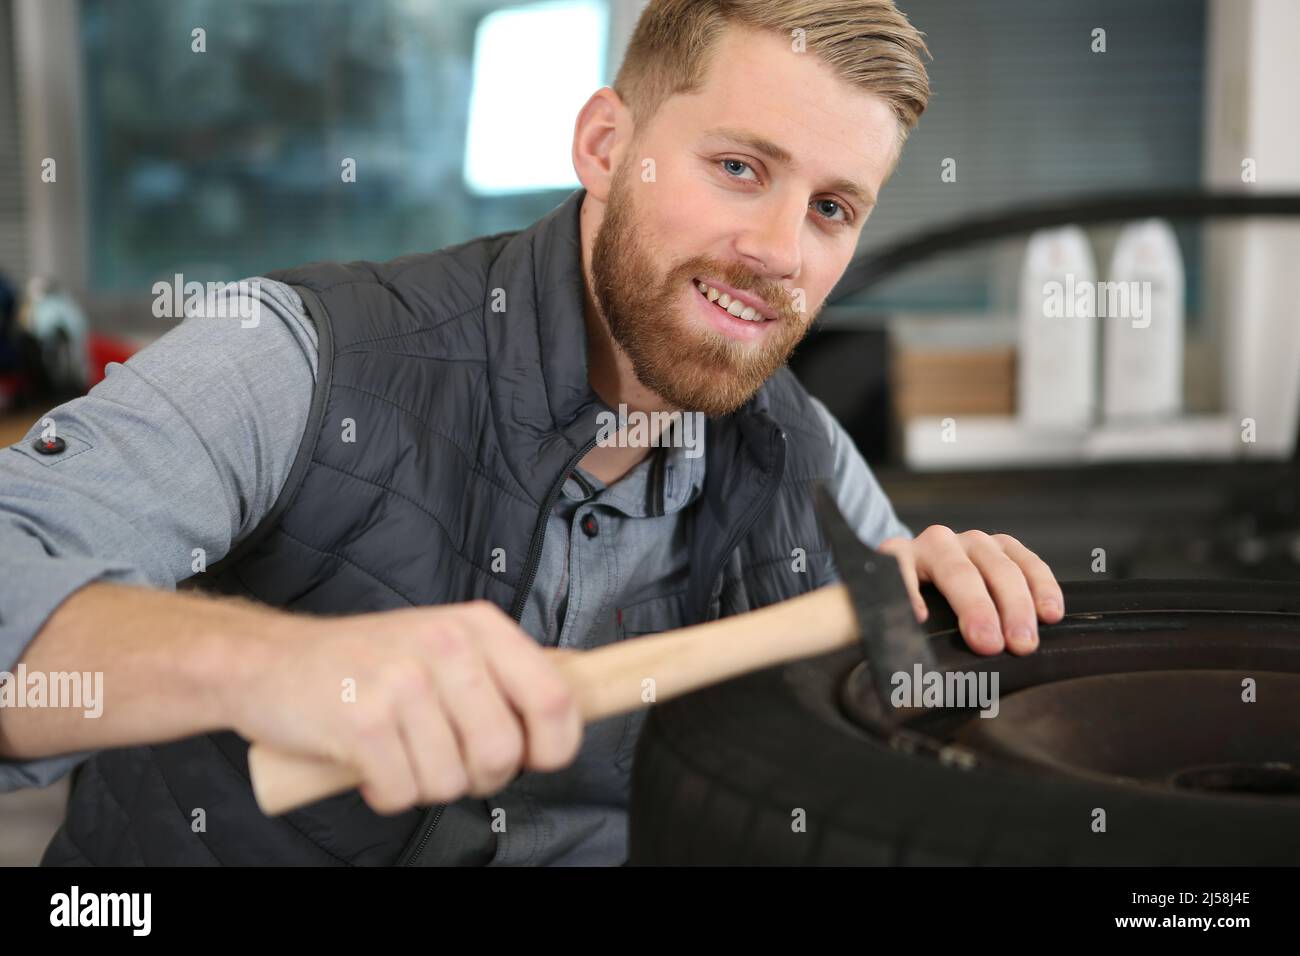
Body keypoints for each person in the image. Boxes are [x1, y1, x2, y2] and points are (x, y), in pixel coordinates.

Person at [0, 0, 1064, 865]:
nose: (779, 250)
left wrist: (937, 611)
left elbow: (917, 729)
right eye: (739, 167)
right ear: (606, 144)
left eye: (833, 208)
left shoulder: (807, 454)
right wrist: (276, 669)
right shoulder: (303, 358)